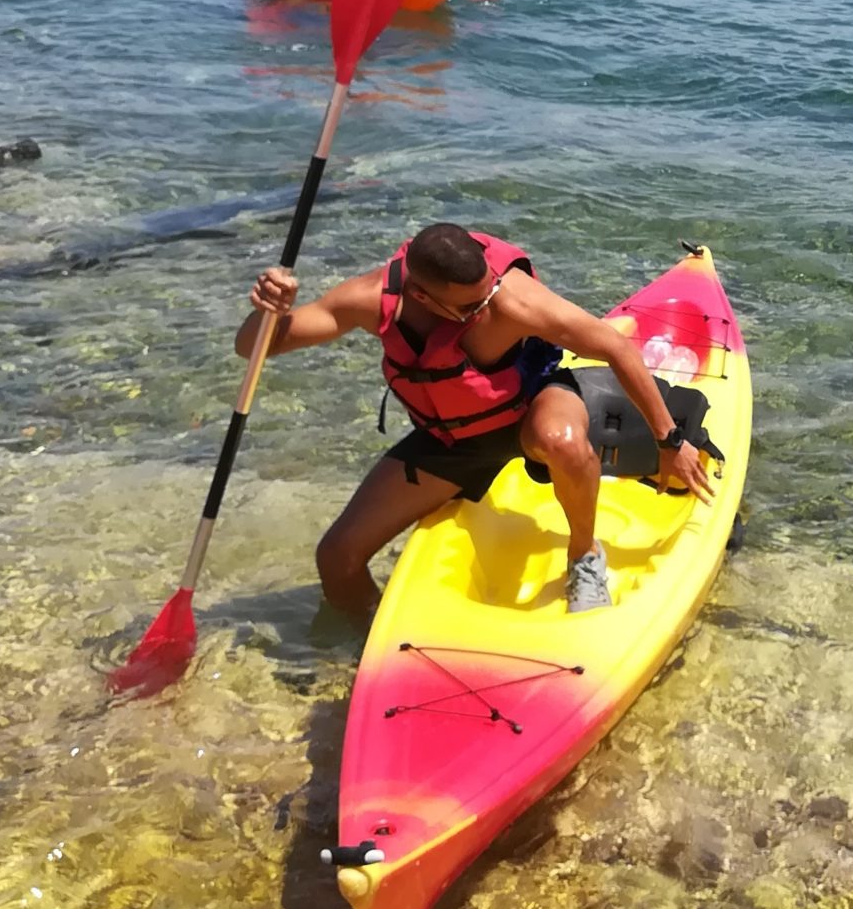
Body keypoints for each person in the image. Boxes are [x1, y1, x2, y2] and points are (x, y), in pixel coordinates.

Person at [240, 222, 716, 616]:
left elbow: (613, 345)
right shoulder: (370, 300)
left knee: (564, 441)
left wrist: (670, 440)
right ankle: (367, 653)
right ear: (424, 297)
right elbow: (255, 348)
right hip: (455, 440)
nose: (488, 305)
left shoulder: (511, 297)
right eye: (470, 306)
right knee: (337, 558)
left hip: (533, 406)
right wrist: (267, 312)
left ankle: (584, 556)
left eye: (487, 290)